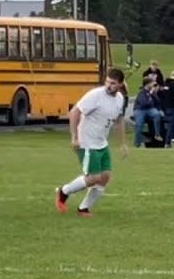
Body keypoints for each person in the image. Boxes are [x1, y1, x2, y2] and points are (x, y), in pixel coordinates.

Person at [55, 68, 128, 216]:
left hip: (101, 143)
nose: (108, 86)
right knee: (93, 178)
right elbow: (74, 112)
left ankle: (83, 208)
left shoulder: (120, 98)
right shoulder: (95, 95)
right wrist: (74, 137)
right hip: (87, 142)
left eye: (113, 83)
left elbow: (119, 121)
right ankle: (63, 192)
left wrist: (122, 143)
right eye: (107, 82)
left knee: (105, 177)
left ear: (120, 84)